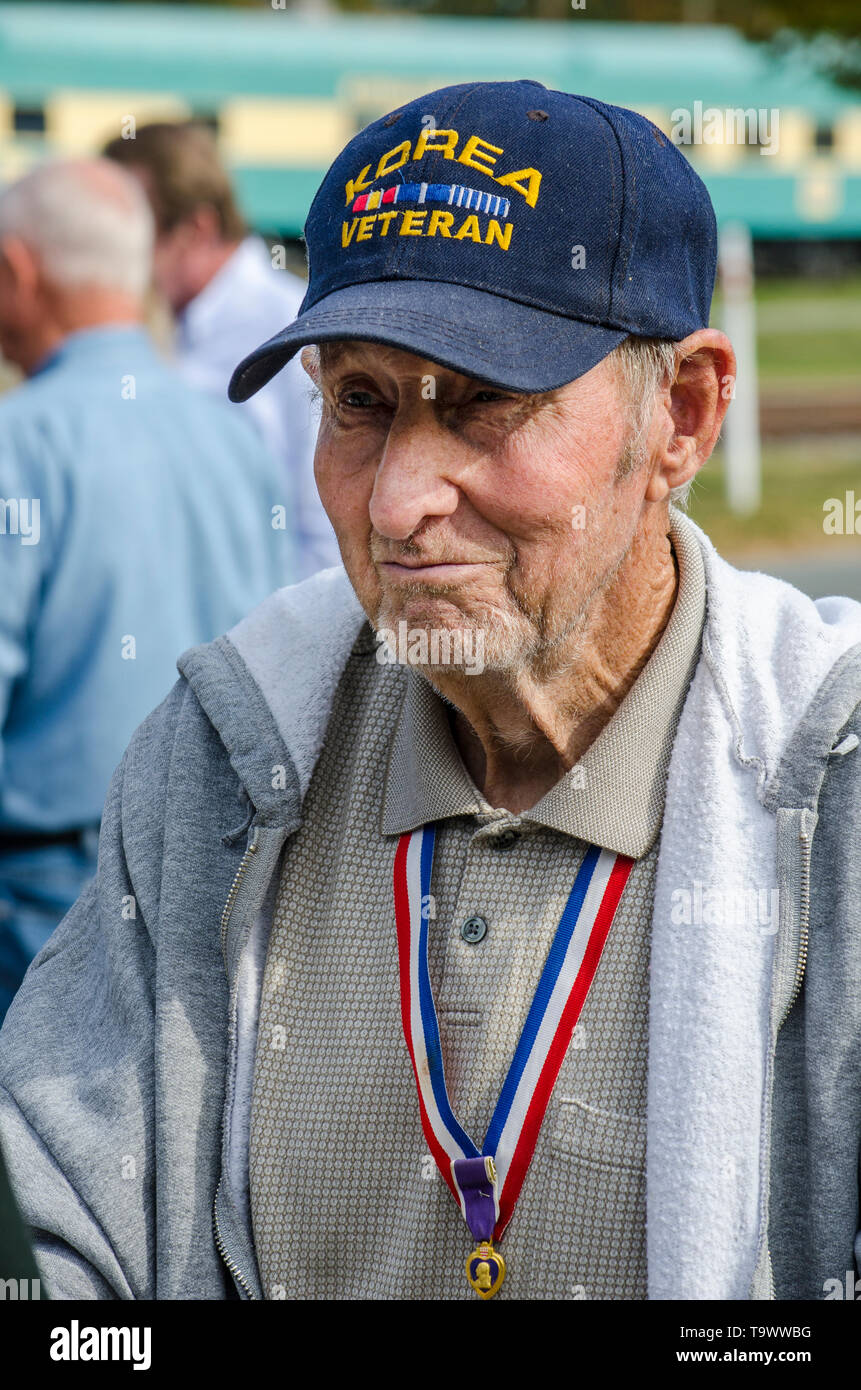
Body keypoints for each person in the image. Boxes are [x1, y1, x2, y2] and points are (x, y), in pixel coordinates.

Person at [0, 83, 859, 1301]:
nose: (399, 503)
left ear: (683, 414)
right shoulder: (218, 758)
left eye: (485, 402)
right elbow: (71, 1240)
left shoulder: (835, 789)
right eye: (359, 402)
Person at [0, 158, 294, 1019]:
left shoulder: (19, 441)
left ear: (18, 269)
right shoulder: (228, 436)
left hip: (43, 895)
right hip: (216, 866)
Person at [104, 121, 340, 580]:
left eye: (130, 236)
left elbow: (325, 540)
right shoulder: (161, 323)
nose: (113, 257)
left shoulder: (289, 328)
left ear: (196, 227)